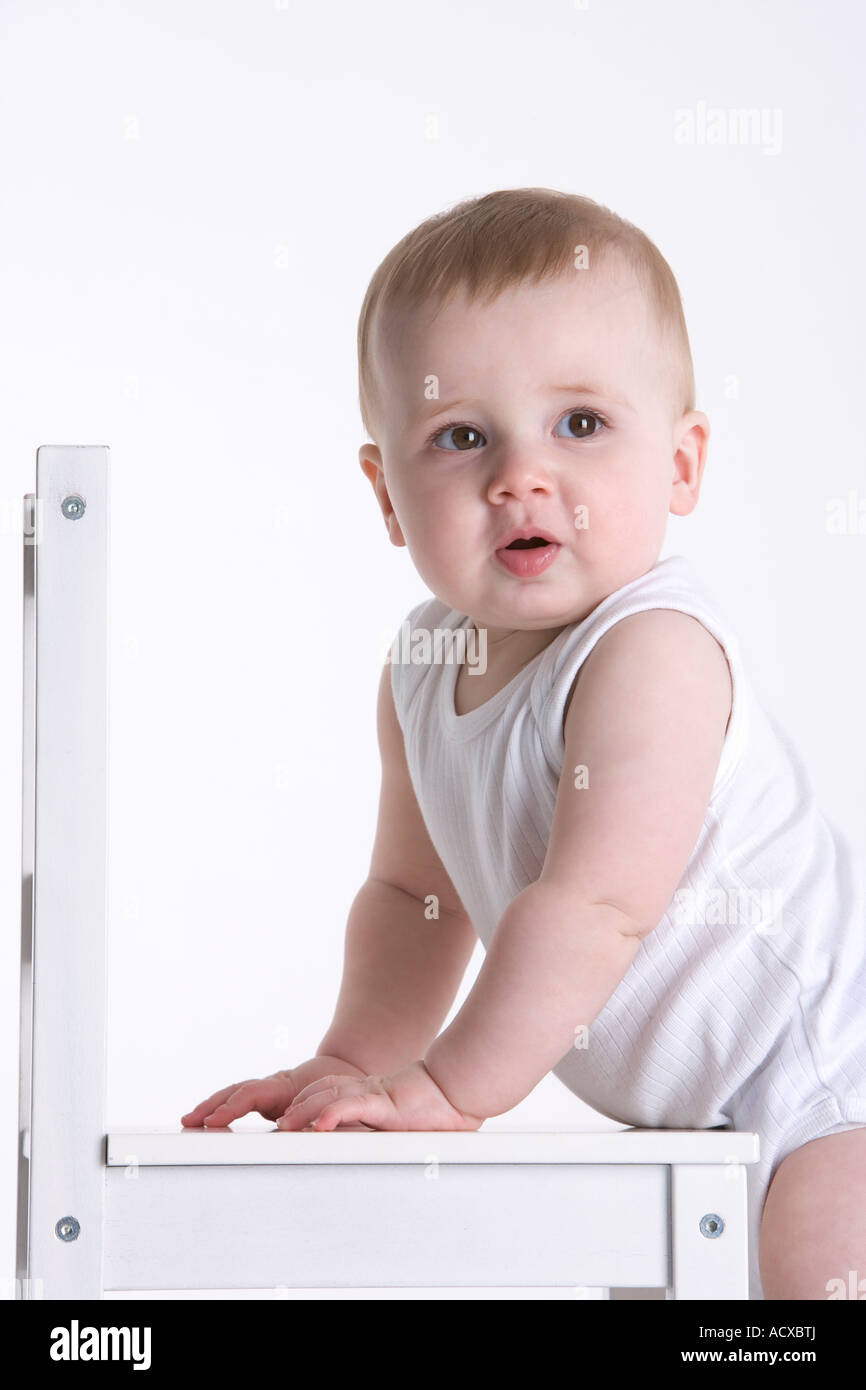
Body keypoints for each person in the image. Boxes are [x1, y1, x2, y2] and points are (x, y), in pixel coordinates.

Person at [181, 187, 866, 1300]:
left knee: (811, 1294)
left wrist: (451, 1087)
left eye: (580, 424)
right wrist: (355, 1061)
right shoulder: (417, 667)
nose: (519, 477)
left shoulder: (651, 652)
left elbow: (595, 905)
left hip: (829, 1080)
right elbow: (414, 896)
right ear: (386, 495)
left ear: (683, 462)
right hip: (694, 1120)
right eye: (459, 437)